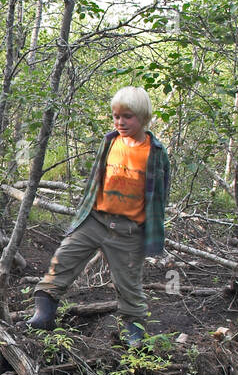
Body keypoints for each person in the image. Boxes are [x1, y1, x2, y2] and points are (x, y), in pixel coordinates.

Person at [26, 86, 170, 345]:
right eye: (116, 116)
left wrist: (149, 231)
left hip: (128, 229)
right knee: (63, 259)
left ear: (143, 117)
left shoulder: (155, 152)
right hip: (95, 219)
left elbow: (159, 195)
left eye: (127, 116)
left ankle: (133, 329)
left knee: (129, 284)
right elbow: (96, 181)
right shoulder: (110, 141)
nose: (120, 122)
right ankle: (44, 314)